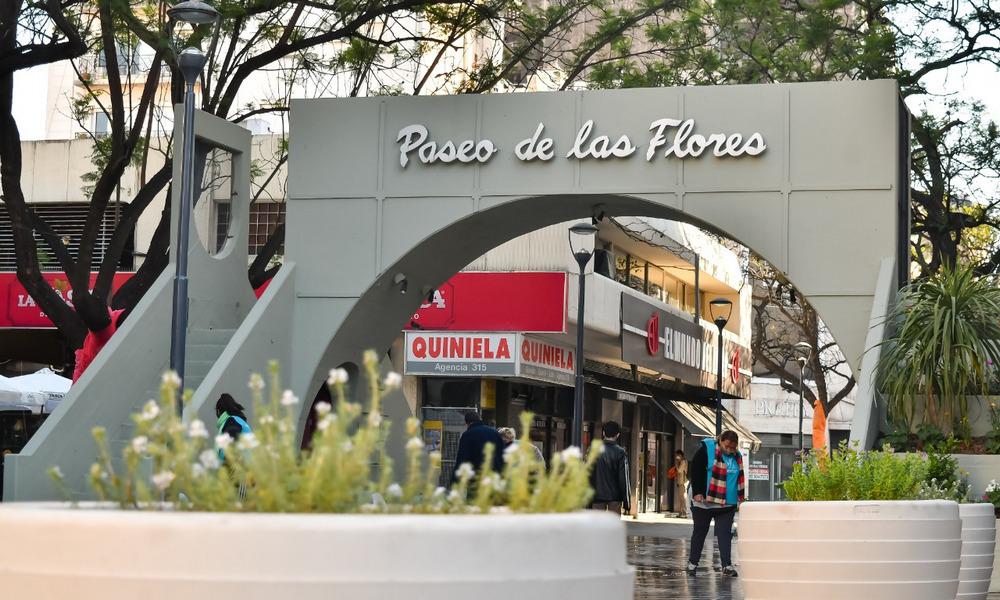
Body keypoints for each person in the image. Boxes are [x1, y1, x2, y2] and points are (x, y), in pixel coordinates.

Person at [686, 430, 745, 578]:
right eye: (727, 446)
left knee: (725, 534)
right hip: (704, 503)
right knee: (700, 532)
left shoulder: (737, 456)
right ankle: (692, 564)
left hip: (727, 504)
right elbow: (696, 469)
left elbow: (740, 477)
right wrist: (698, 492)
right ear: (720, 441)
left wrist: (740, 497)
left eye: (734, 447)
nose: (731, 450)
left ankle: (727, 566)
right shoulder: (707, 450)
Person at [452, 411, 505, 484]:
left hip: (475, 478)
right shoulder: (494, 433)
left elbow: (462, 458)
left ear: (467, 423)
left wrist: (455, 480)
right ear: (480, 419)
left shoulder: (467, 435)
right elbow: (501, 455)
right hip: (493, 478)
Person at [590, 421, 631, 514]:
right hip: (615, 497)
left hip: (597, 496)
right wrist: (626, 501)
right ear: (618, 435)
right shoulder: (620, 452)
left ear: (603, 433)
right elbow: (623, 478)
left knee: (597, 525)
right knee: (614, 524)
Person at [216, 393, 251, 459]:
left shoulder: (231, 420)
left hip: (236, 467)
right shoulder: (239, 420)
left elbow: (230, 446)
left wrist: (226, 465)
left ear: (218, 411)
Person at [672, 449, 689, 518]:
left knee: (683, 498)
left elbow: (679, 471)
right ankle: (681, 512)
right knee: (680, 498)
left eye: (677, 455)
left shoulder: (683, 462)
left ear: (680, 455)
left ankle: (684, 513)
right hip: (680, 481)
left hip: (683, 482)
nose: (676, 457)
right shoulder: (681, 462)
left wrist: (676, 465)